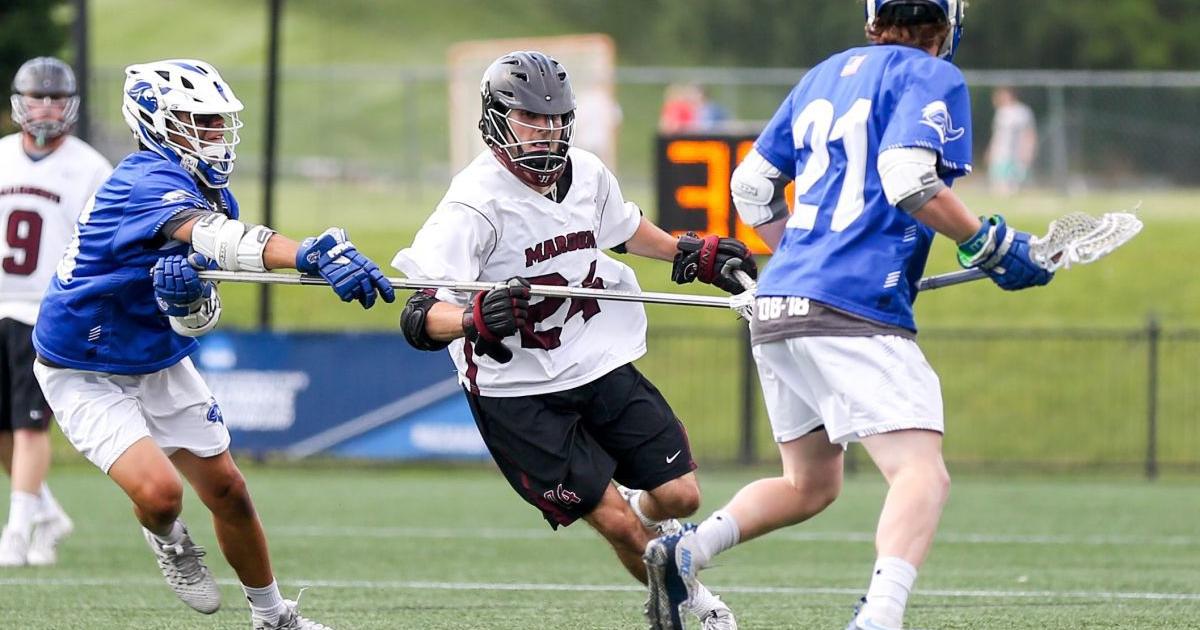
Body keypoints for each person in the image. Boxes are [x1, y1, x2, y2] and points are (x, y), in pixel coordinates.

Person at [643, 3, 1053, 630]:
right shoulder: (931, 74)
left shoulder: (824, 73)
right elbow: (907, 176)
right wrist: (986, 242)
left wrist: (803, 261)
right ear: (948, 23)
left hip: (779, 302)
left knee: (810, 484)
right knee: (921, 473)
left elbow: (751, 188)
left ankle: (686, 552)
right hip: (850, 307)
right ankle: (880, 618)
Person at [392, 50, 757, 630]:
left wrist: (686, 249)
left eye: (556, 118)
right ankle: (692, 602)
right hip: (518, 388)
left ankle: (643, 522)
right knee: (615, 525)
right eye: (531, 119)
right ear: (495, 120)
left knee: (682, 497)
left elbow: (624, 230)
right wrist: (471, 320)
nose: (548, 131)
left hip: (594, 358)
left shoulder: (586, 172)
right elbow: (418, 317)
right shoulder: (472, 204)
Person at [31, 59, 394, 629]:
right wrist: (309, 254)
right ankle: (169, 540)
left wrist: (184, 304)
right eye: (198, 121)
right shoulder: (142, 178)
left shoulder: (214, 194)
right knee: (160, 496)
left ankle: (274, 617)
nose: (215, 135)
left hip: (155, 356)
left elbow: (199, 320)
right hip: (86, 361)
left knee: (228, 488)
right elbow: (216, 239)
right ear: (156, 121)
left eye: (217, 122)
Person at [0, 57, 110, 568]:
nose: (46, 106)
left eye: (55, 97)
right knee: (4, 429)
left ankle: (17, 531)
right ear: (19, 101)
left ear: (71, 103)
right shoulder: (2, 157)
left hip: (45, 310)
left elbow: (103, 247)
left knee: (29, 426)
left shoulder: (90, 167)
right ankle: (46, 512)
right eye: (37, 96)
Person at [986, 86, 1038, 195]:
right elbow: (997, 135)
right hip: (1000, 153)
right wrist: (990, 150)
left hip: (1016, 153)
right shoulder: (1001, 112)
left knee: (1015, 184)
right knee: (999, 184)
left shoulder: (1022, 112)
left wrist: (1028, 150)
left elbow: (1029, 133)